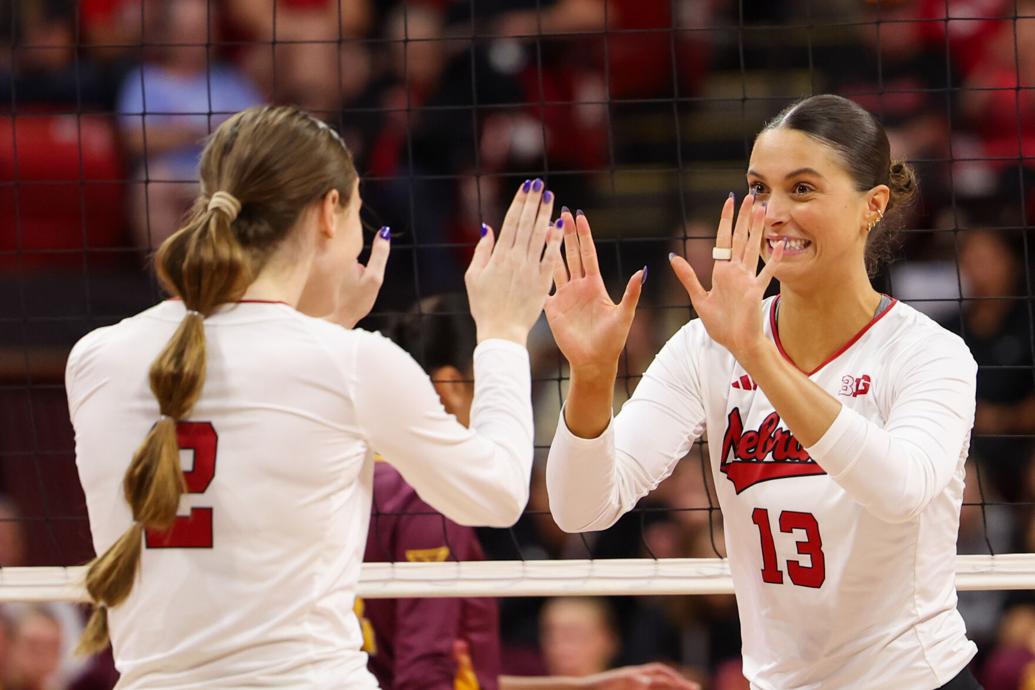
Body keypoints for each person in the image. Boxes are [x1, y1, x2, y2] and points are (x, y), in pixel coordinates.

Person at [65, 104, 563, 688]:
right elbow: (499, 495)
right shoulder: (350, 365)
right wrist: (502, 335)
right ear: (330, 212)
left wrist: (327, 331)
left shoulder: (93, 357)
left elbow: (248, 395)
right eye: (357, 208)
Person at [544, 94, 983, 690]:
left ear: (871, 206)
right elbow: (581, 509)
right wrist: (592, 378)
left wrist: (758, 353)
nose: (774, 212)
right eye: (759, 189)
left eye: (802, 189)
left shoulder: (928, 353)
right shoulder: (705, 347)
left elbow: (901, 489)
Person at [360, 294, 699, 690]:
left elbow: (452, 676)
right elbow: (427, 678)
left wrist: (581, 685)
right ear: (452, 387)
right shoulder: (426, 502)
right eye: (499, 383)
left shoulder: (367, 475)